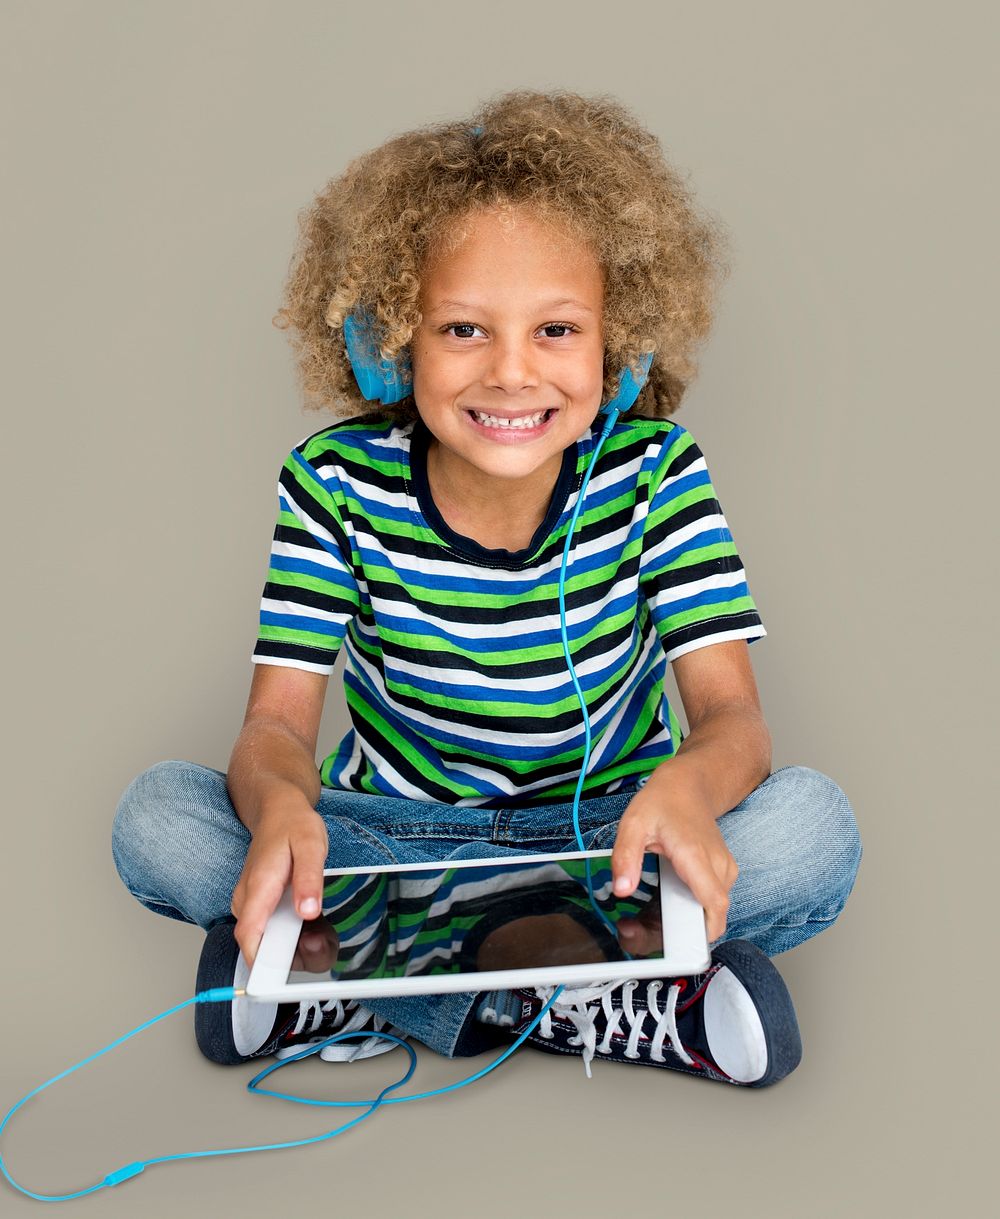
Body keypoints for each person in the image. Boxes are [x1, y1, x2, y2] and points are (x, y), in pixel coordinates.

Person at [112, 89, 862, 1086]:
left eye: (556, 331)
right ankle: (591, 995)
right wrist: (287, 808)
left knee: (810, 827)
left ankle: (354, 987)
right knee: (159, 820)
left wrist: (684, 789)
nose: (512, 373)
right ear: (392, 343)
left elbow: (734, 719)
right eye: (463, 329)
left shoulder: (655, 473)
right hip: (390, 838)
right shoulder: (334, 482)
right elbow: (276, 726)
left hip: (610, 833)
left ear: (619, 347)